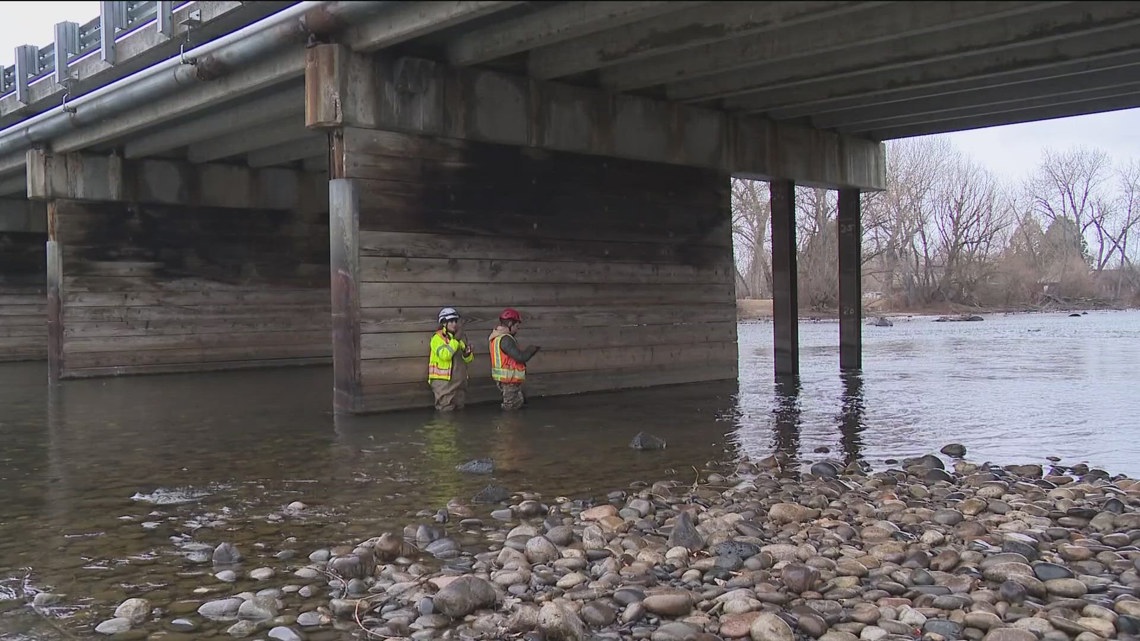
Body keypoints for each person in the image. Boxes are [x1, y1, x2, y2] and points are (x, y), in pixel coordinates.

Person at [488, 308, 540, 410]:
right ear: (510, 324)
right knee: (511, 410)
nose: (517, 329)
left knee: (517, 405)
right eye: (516, 326)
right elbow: (520, 357)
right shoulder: (505, 339)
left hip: (507, 381)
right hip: (509, 382)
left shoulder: (497, 337)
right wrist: (531, 350)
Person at [428, 307, 474, 411]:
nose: (454, 324)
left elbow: (468, 360)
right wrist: (456, 340)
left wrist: (467, 354)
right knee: (446, 414)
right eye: (451, 321)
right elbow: (445, 355)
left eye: (455, 321)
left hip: (459, 384)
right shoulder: (437, 338)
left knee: (459, 415)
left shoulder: (459, 339)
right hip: (443, 384)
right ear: (444, 323)